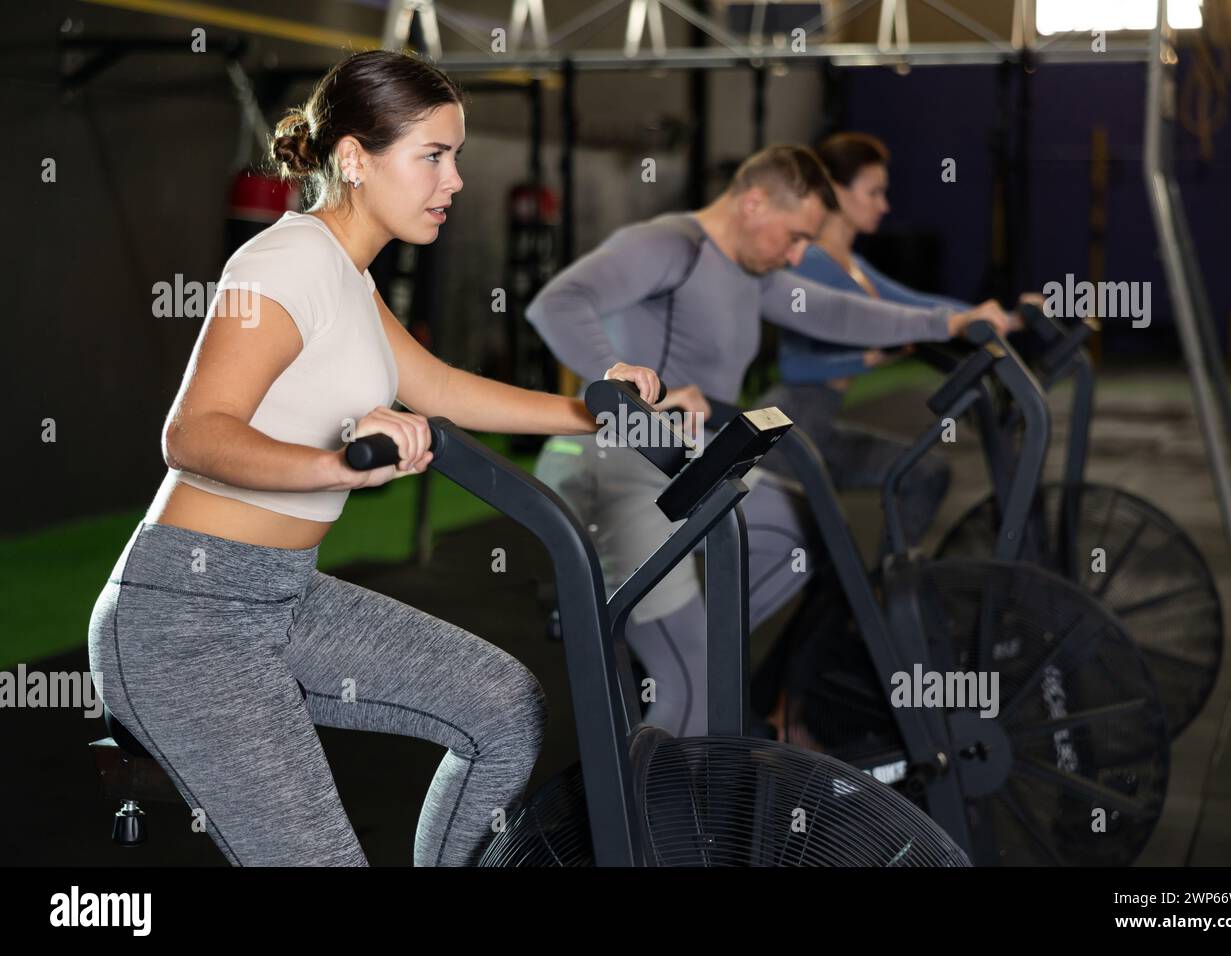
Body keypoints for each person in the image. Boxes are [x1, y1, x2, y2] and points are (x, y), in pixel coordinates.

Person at [86, 50, 664, 867]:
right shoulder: (284, 263)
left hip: (282, 598)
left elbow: (442, 387)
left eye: (454, 155)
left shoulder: (346, 274)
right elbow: (195, 434)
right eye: (433, 155)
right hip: (187, 620)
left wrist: (603, 411)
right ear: (355, 158)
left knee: (501, 709)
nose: (454, 180)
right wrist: (337, 467)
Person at [525, 144, 1010, 738]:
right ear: (754, 203)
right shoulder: (671, 244)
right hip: (618, 462)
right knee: (696, 691)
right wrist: (617, 380)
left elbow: (840, 314)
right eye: (796, 235)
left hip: (683, 466)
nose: (799, 254)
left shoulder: (750, 271)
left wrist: (948, 321)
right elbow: (557, 303)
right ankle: (643, 804)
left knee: (804, 534)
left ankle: (689, 667)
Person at [759, 131, 1039, 554]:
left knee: (925, 472)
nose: (883, 205)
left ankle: (887, 594)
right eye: (873, 192)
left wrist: (1002, 317)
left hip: (819, 431)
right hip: (786, 434)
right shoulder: (811, 262)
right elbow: (796, 366)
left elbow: (917, 304)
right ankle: (879, 599)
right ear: (835, 191)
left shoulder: (855, 266)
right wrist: (869, 356)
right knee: (818, 554)